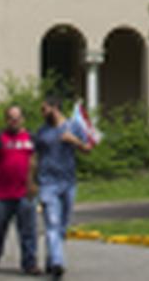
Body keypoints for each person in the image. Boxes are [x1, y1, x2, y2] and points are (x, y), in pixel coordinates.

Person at [31, 99, 95, 279]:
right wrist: (32, 181)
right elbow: (34, 157)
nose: (42, 113)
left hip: (68, 182)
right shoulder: (42, 131)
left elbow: (88, 149)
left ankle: (51, 259)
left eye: (45, 109)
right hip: (47, 183)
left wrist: (74, 140)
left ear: (55, 108)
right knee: (52, 223)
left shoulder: (73, 126)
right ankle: (58, 263)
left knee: (62, 226)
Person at [0, 106, 38, 273]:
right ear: (6, 120)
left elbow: (35, 160)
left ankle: (29, 263)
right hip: (2, 192)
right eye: (10, 118)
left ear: (22, 119)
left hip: (25, 191)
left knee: (28, 230)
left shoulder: (31, 137)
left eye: (17, 118)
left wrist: (33, 183)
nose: (14, 121)